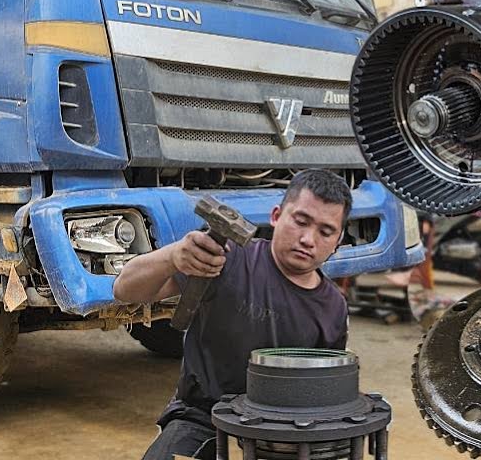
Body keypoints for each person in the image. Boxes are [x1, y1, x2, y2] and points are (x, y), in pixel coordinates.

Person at [113, 169, 353, 460]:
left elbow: (323, 395)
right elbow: (125, 289)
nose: (307, 239)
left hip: (281, 434)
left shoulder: (333, 308)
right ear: (276, 215)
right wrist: (173, 256)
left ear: (338, 240)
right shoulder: (225, 258)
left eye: (325, 232)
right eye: (300, 221)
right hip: (203, 418)